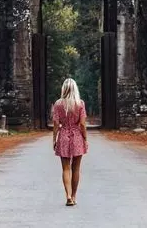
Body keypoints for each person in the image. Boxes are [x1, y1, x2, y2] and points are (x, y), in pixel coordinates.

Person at [52, 78, 88, 206]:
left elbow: (56, 124)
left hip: (63, 135)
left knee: (66, 168)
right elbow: (82, 124)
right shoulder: (80, 104)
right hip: (77, 135)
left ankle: (67, 195)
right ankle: (74, 195)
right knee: (76, 168)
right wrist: (85, 138)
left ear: (64, 89)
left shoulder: (58, 104)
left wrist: (54, 139)